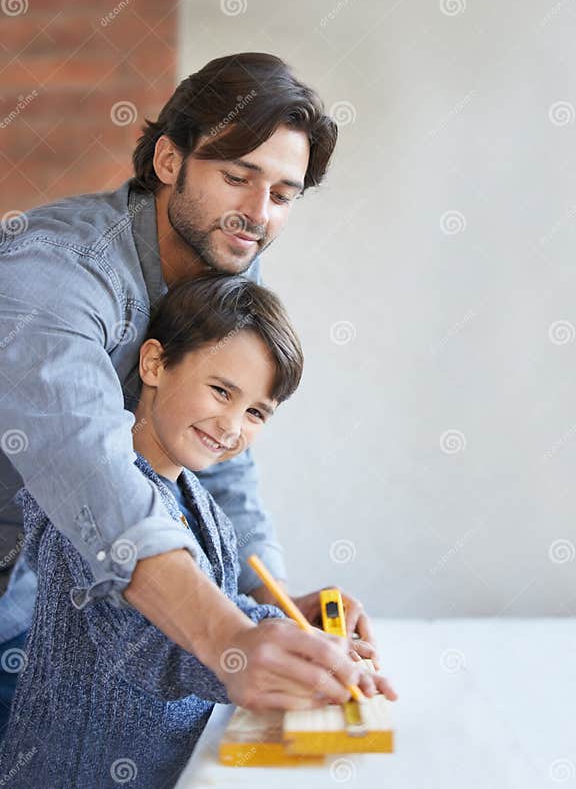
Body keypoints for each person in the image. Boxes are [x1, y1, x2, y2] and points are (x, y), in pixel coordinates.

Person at [0, 53, 379, 730]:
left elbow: (222, 462)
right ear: (169, 161)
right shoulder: (55, 275)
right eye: (237, 177)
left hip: (44, 612)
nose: (258, 214)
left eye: (283, 194)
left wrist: (273, 605)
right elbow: (93, 471)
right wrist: (229, 641)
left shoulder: (222, 258)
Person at [0, 275, 395, 788]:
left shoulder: (197, 500)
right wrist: (253, 661)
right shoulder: (88, 501)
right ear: (155, 364)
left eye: (255, 412)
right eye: (221, 391)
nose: (232, 426)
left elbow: (220, 602)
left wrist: (295, 629)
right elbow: (143, 642)